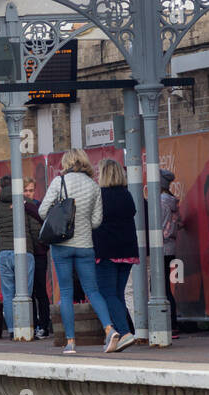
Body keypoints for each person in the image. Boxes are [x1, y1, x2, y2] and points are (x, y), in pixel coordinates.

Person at [38, 148, 116, 355]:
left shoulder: (59, 182)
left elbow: (42, 211)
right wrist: (82, 222)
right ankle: (109, 329)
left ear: (66, 163)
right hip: (85, 246)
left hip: (62, 246)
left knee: (66, 292)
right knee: (92, 290)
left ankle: (71, 343)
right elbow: (97, 221)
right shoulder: (94, 186)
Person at [92, 158, 138, 353]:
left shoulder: (99, 196)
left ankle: (125, 333)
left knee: (107, 294)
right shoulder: (127, 195)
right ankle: (118, 336)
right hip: (127, 252)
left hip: (106, 252)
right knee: (117, 294)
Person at [0, 176, 40, 337]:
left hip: (5, 253)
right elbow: (35, 229)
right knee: (26, 292)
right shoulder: (25, 203)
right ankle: (26, 329)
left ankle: (12, 330)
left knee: (8, 293)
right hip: (25, 252)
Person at [23, 177, 51, 338]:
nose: (28, 193)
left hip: (39, 253)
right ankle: (32, 324)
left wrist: (26, 205)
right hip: (25, 254)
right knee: (28, 292)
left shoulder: (38, 206)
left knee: (41, 291)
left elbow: (43, 218)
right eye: (25, 190)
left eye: (31, 190)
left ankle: (44, 325)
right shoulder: (17, 207)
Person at [160, 171, 181, 337]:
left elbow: (157, 226)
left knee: (159, 288)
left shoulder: (161, 202)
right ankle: (173, 324)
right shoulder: (173, 201)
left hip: (159, 247)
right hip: (171, 247)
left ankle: (167, 324)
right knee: (166, 287)